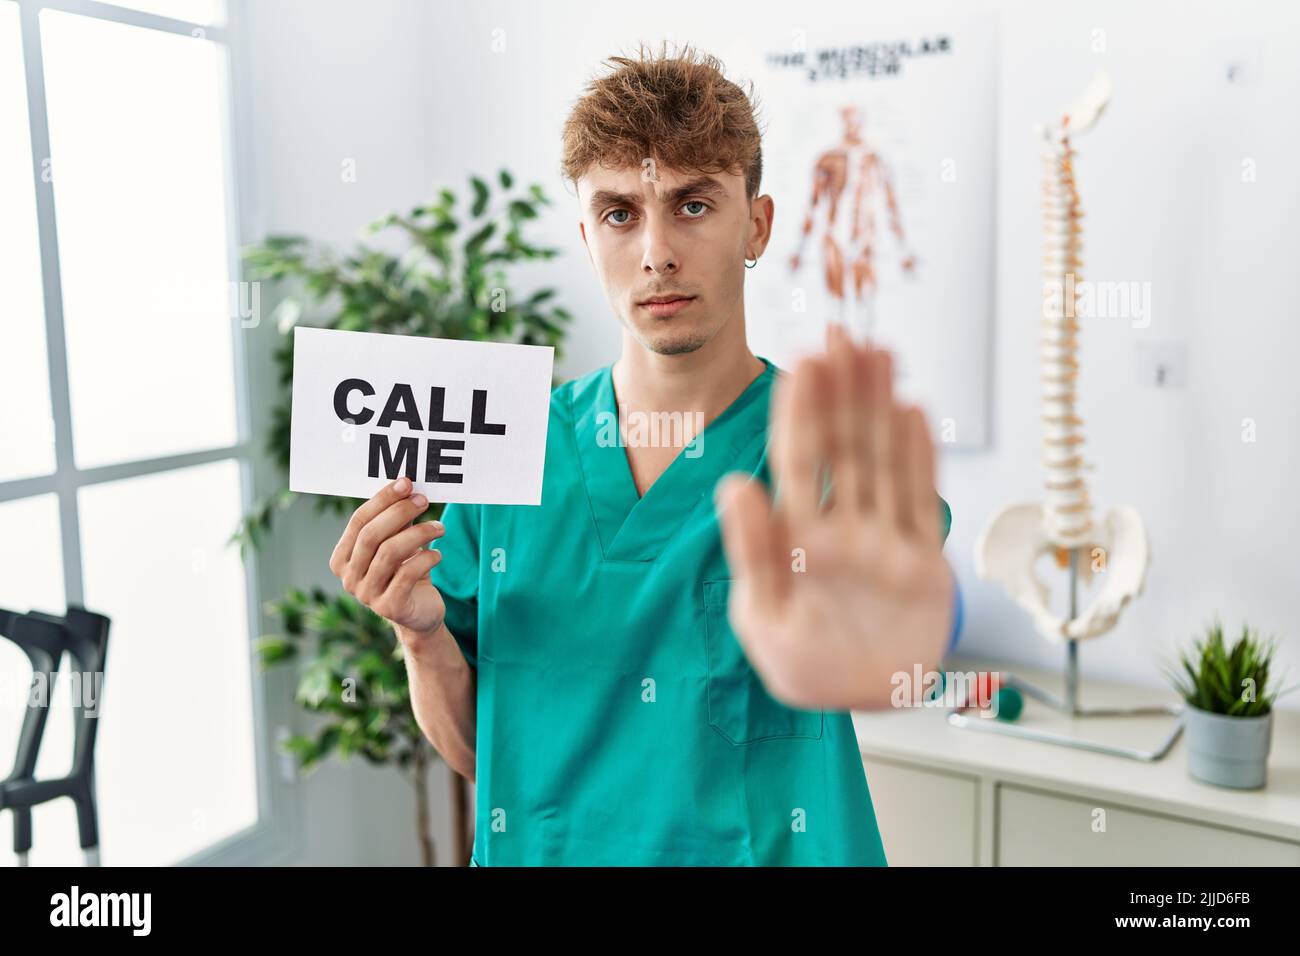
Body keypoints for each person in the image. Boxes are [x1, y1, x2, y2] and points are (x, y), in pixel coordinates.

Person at [327, 43, 958, 866]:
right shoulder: (510, 448)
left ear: (756, 226)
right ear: (587, 235)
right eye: (621, 213)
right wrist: (420, 635)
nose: (657, 251)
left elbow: (890, 630)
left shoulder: (830, 445)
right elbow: (491, 756)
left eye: (694, 205)